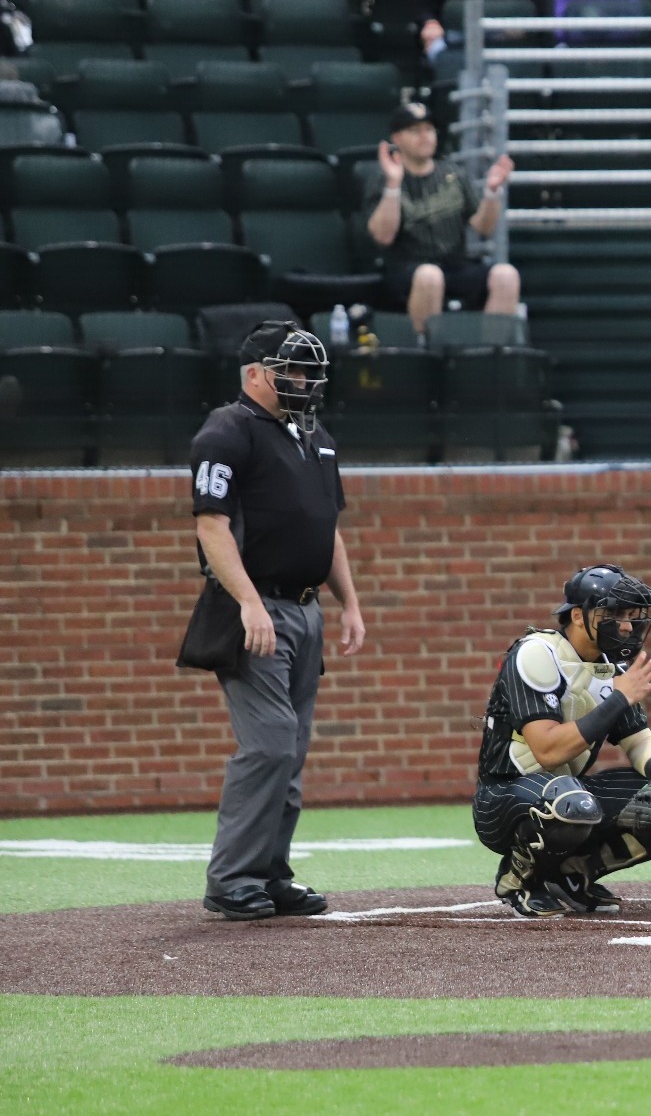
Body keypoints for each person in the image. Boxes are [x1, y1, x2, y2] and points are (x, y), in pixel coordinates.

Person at [189, 322, 366, 920]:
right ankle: (232, 878)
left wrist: (350, 603)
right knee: (267, 746)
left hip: (304, 608)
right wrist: (248, 602)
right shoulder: (228, 429)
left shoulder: (316, 437)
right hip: (255, 608)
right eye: (291, 370)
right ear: (254, 374)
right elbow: (211, 525)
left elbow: (326, 527)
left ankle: (269, 872)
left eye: (309, 371)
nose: (305, 381)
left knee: (290, 752)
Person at [473, 564, 651, 917]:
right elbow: (548, 751)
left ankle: (572, 876)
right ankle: (519, 880)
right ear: (578, 616)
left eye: (630, 615)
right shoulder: (536, 654)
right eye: (612, 613)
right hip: (504, 797)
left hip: (566, 788)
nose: (625, 625)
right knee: (575, 805)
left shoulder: (615, 667)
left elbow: (638, 740)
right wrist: (619, 699)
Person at [364, 101, 518, 336]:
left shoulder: (454, 174)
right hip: (406, 269)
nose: (424, 137)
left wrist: (492, 193)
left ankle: (490, 356)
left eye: (429, 129)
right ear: (397, 138)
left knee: (506, 276)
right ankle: (424, 354)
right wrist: (394, 185)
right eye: (415, 131)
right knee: (430, 276)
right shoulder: (382, 178)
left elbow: (483, 227)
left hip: (455, 265)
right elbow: (384, 237)